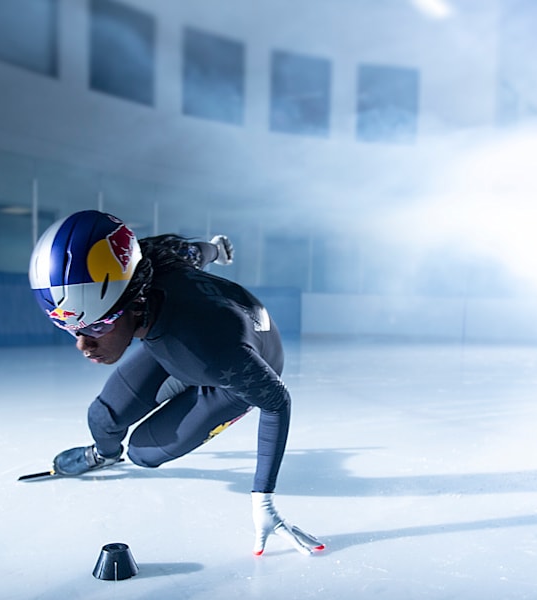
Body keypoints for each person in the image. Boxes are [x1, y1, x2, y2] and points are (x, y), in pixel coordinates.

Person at [28, 209, 323, 557]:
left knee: (143, 453)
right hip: (189, 343)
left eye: (95, 326)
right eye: (70, 328)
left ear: (133, 302)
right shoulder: (150, 258)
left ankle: (200, 397)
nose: (82, 345)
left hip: (230, 368)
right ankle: (105, 456)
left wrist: (264, 499)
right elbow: (194, 251)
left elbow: (276, 401)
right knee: (102, 418)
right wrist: (216, 249)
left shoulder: (210, 347)